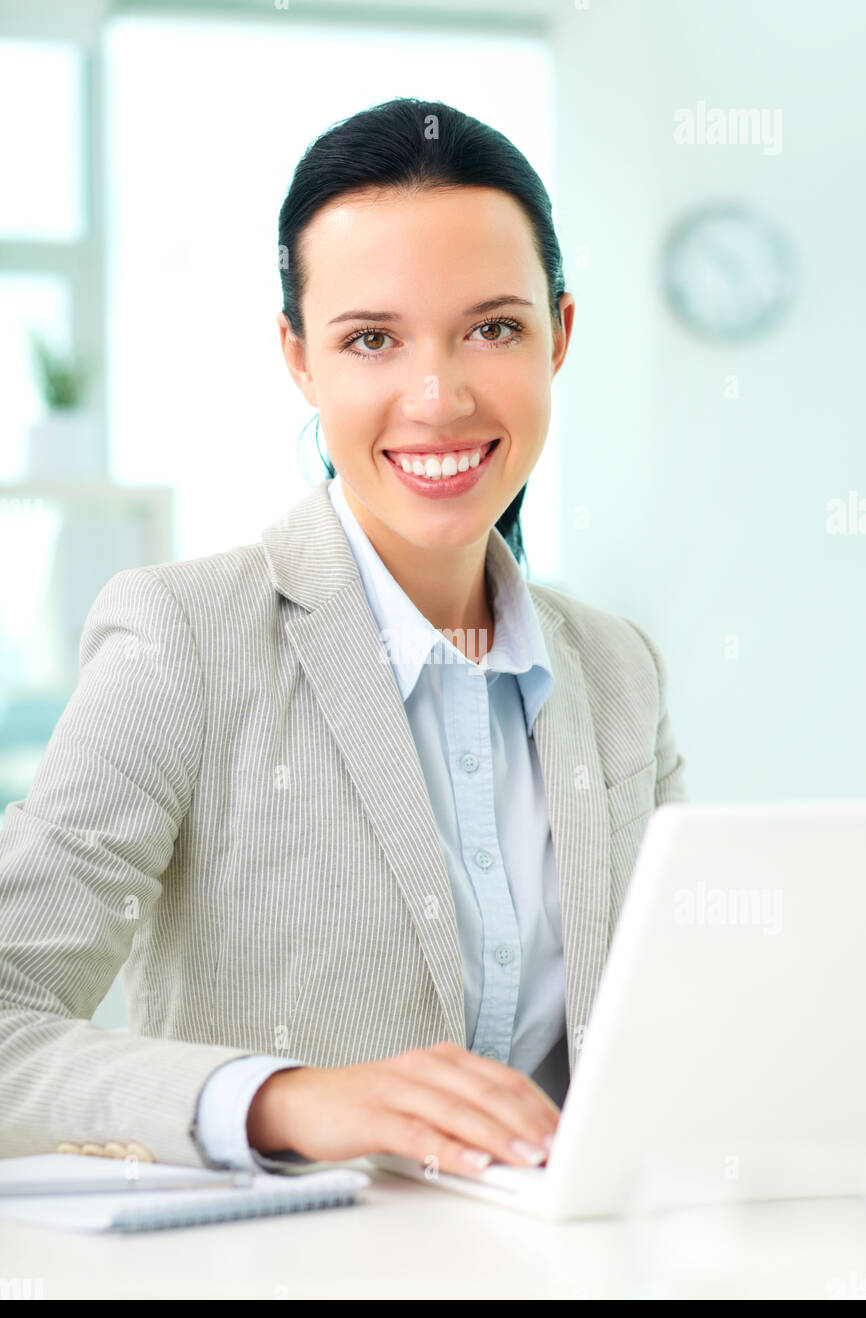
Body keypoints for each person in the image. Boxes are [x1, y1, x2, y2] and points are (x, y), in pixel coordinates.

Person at [0, 97, 686, 1181]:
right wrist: (280, 1099)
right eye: (372, 339)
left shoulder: (616, 672)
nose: (437, 396)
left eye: (492, 327)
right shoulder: (180, 638)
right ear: (299, 359)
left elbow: (680, 1021)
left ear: (557, 335)